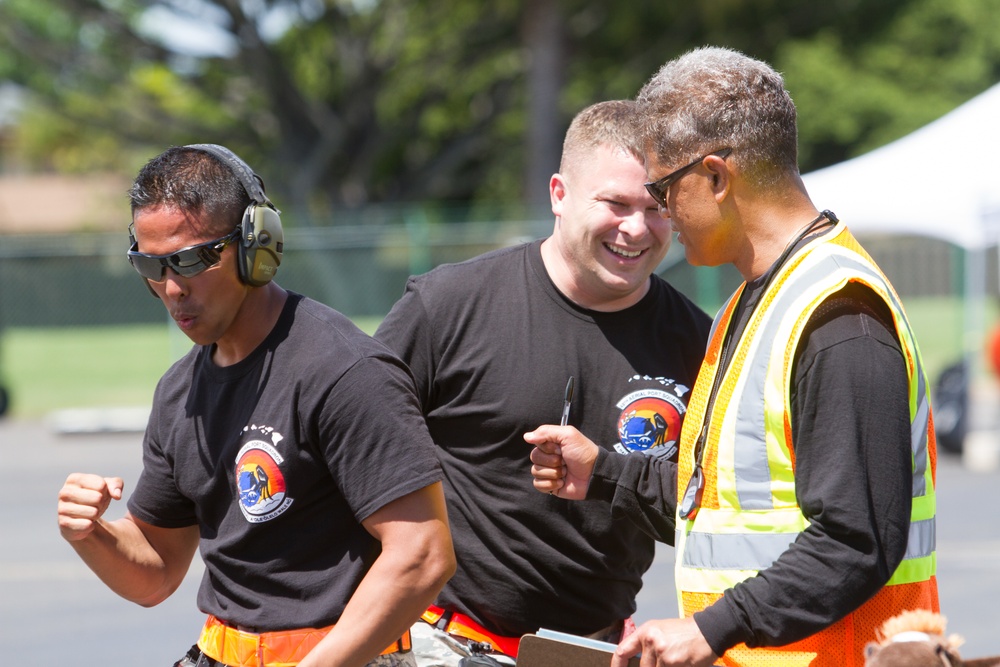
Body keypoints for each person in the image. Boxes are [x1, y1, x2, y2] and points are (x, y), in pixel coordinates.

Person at [528, 47, 939, 667]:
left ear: (716, 178)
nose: (661, 214)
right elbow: (725, 506)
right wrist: (605, 474)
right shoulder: (755, 303)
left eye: (663, 190)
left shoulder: (838, 316)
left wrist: (712, 627)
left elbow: (857, 539)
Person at [56, 144, 455, 667]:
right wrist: (91, 533)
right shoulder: (179, 392)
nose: (171, 288)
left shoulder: (344, 371)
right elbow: (155, 573)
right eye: (151, 265)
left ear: (256, 245)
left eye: (191, 259)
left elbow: (422, 555)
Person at [375, 100, 712, 665]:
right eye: (615, 203)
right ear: (559, 194)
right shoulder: (446, 306)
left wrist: (610, 474)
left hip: (595, 651)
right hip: (443, 641)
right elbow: (347, 459)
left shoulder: (702, 345)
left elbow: (712, 515)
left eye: (657, 207)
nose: (636, 228)